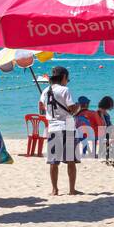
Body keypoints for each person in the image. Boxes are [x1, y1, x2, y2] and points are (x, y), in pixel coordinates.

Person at [39, 65, 81, 196]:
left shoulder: (45, 91)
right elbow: (72, 109)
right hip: (67, 127)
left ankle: (54, 189)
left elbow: (41, 108)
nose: (67, 82)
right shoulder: (65, 90)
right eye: (67, 79)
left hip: (52, 128)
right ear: (63, 78)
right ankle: (72, 189)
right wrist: (79, 107)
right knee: (71, 160)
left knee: (53, 161)